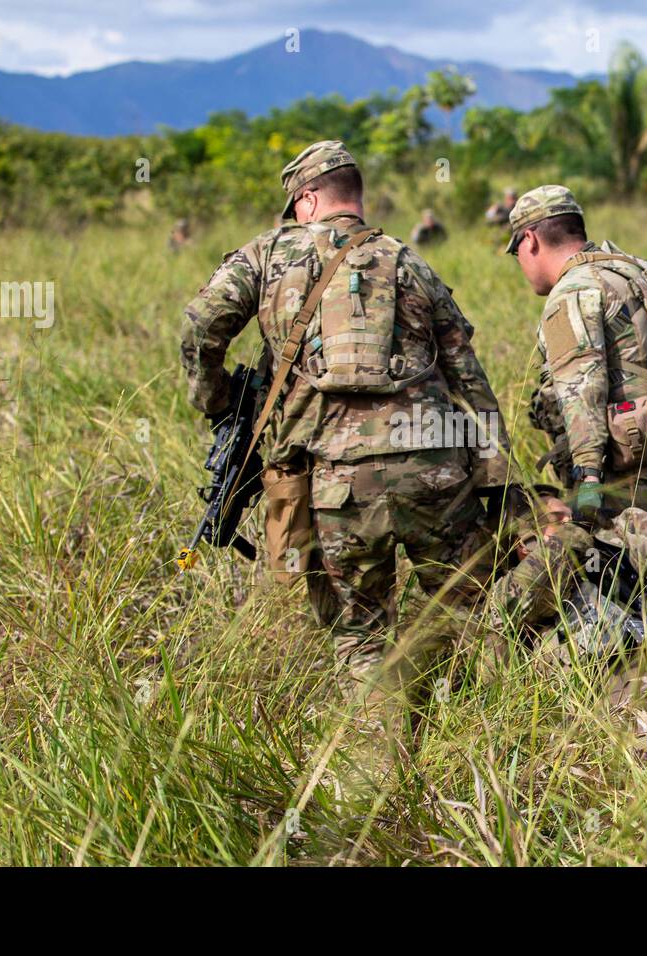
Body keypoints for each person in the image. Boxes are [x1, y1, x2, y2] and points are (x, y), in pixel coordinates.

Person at [179, 140, 511, 729]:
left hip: (337, 484)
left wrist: (219, 402)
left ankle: (381, 765)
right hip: (437, 471)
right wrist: (492, 470)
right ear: (355, 197)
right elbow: (466, 369)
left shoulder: (266, 255)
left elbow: (201, 327)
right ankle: (458, 736)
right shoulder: (409, 259)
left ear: (307, 200)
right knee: (456, 612)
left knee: (361, 636)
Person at [504, 184, 647, 715]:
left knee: (616, 599)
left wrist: (586, 480)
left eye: (516, 249)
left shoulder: (572, 291)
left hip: (631, 466)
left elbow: (581, 388)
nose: (520, 262)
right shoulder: (641, 273)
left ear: (532, 239)